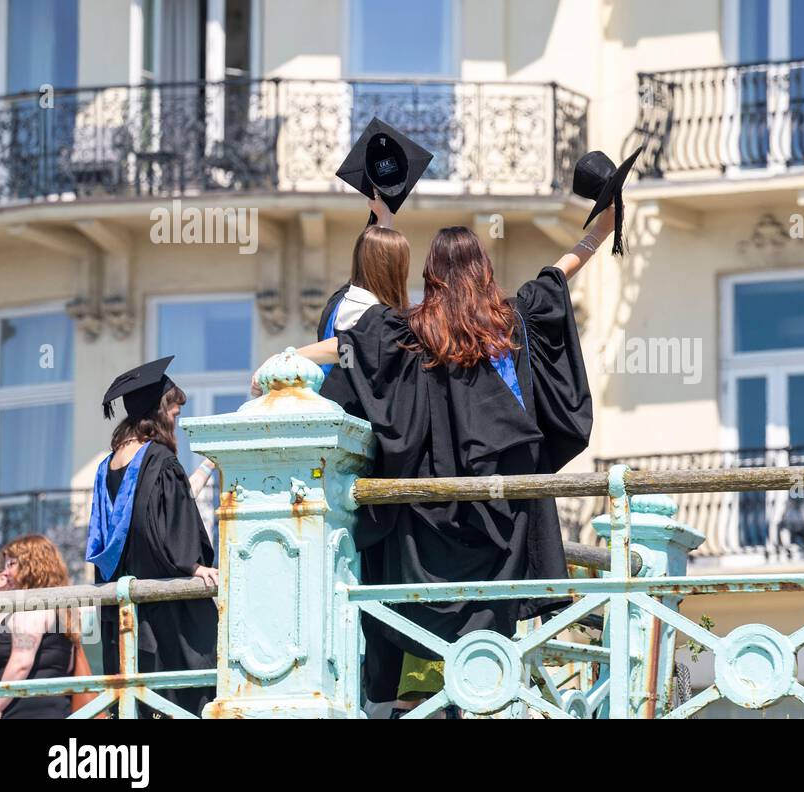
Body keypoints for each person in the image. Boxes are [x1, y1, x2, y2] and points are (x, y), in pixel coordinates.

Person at [252, 206, 616, 712]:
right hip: (501, 519)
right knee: (492, 647)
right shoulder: (509, 322)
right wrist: (601, 231)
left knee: (390, 592)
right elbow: (556, 277)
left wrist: (284, 360)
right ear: (484, 270)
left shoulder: (409, 333)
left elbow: (348, 348)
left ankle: (401, 699)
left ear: (431, 276)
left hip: (424, 523)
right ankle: (486, 697)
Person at [90, 357, 219, 716]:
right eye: (175, 413)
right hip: (164, 598)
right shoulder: (159, 459)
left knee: (139, 695)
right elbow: (164, 527)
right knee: (190, 685)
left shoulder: (111, 464)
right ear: (160, 411)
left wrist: (208, 466)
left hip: (126, 598)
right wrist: (191, 564)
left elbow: (146, 517)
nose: (176, 421)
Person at [315, 195, 411, 374]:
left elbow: (369, 258)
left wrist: (383, 218)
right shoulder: (381, 321)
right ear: (397, 271)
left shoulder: (337, 302)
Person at [0, 535, 77, 719]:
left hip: (24, 711)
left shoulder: (31, 606)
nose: (5, 572)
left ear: (31, 566)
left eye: (12, 564)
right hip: (52, 707)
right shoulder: (61, 608)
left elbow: (21, 662)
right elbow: (69, 664)